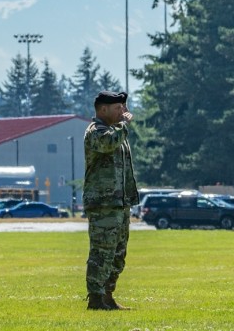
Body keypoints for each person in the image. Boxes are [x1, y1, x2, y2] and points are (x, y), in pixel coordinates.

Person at [83, 91, 139, 311]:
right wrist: (123, 125)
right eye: (118, 108)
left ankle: (108, 296)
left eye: (123, 108)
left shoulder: (117, 132)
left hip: (119, 204)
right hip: (103, 204)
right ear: (103, 109)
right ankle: (95, 300)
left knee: (118, 254)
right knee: (101, 252)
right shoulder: (96, 132)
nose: (123, 112)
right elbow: (107, 143)